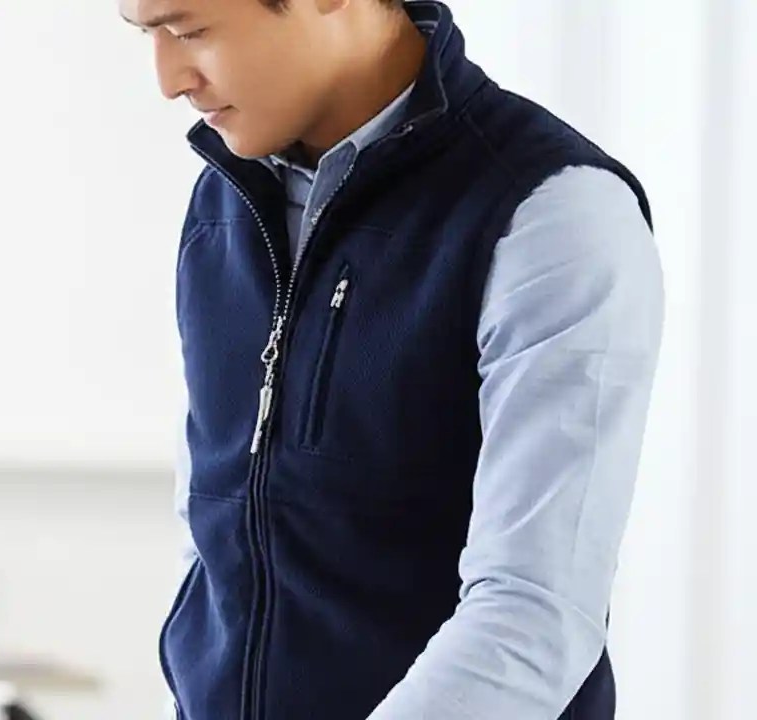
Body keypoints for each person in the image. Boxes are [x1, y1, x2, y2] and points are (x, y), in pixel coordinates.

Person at [118, 0, 665, 718]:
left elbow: (534, 617)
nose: (168, 79)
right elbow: (214, 546)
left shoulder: (553, 213)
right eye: (146, 34)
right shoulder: (223, 203)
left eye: (189, 30)